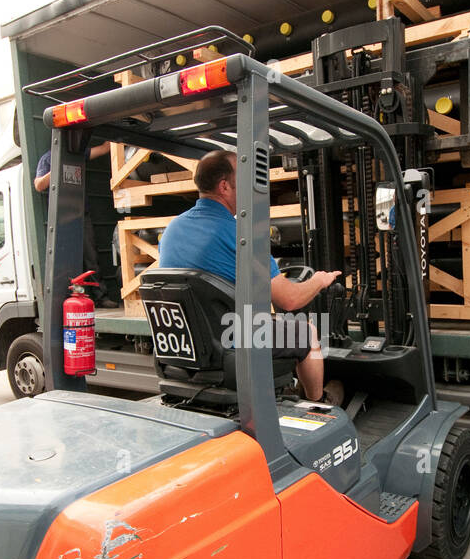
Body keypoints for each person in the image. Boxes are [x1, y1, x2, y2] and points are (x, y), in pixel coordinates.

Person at [158, 149, 343, 404]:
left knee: (268, 320)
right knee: (308, 332)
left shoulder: (172, 229)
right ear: (224, 186)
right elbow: (290, 300)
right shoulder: (240, 235)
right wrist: (319, 281)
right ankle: (318, 402)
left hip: (188, 342)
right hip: (230, 341)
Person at [34, 141, 119, 307]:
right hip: (63, 217)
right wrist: (58, 168)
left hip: (82, 213)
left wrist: (117, 140)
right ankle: (76, 299)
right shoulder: (48, 159)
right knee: (68, 260)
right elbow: (38, 185)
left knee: (91, 257)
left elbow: (102, 149)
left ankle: (101, 297)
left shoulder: (79, 155)